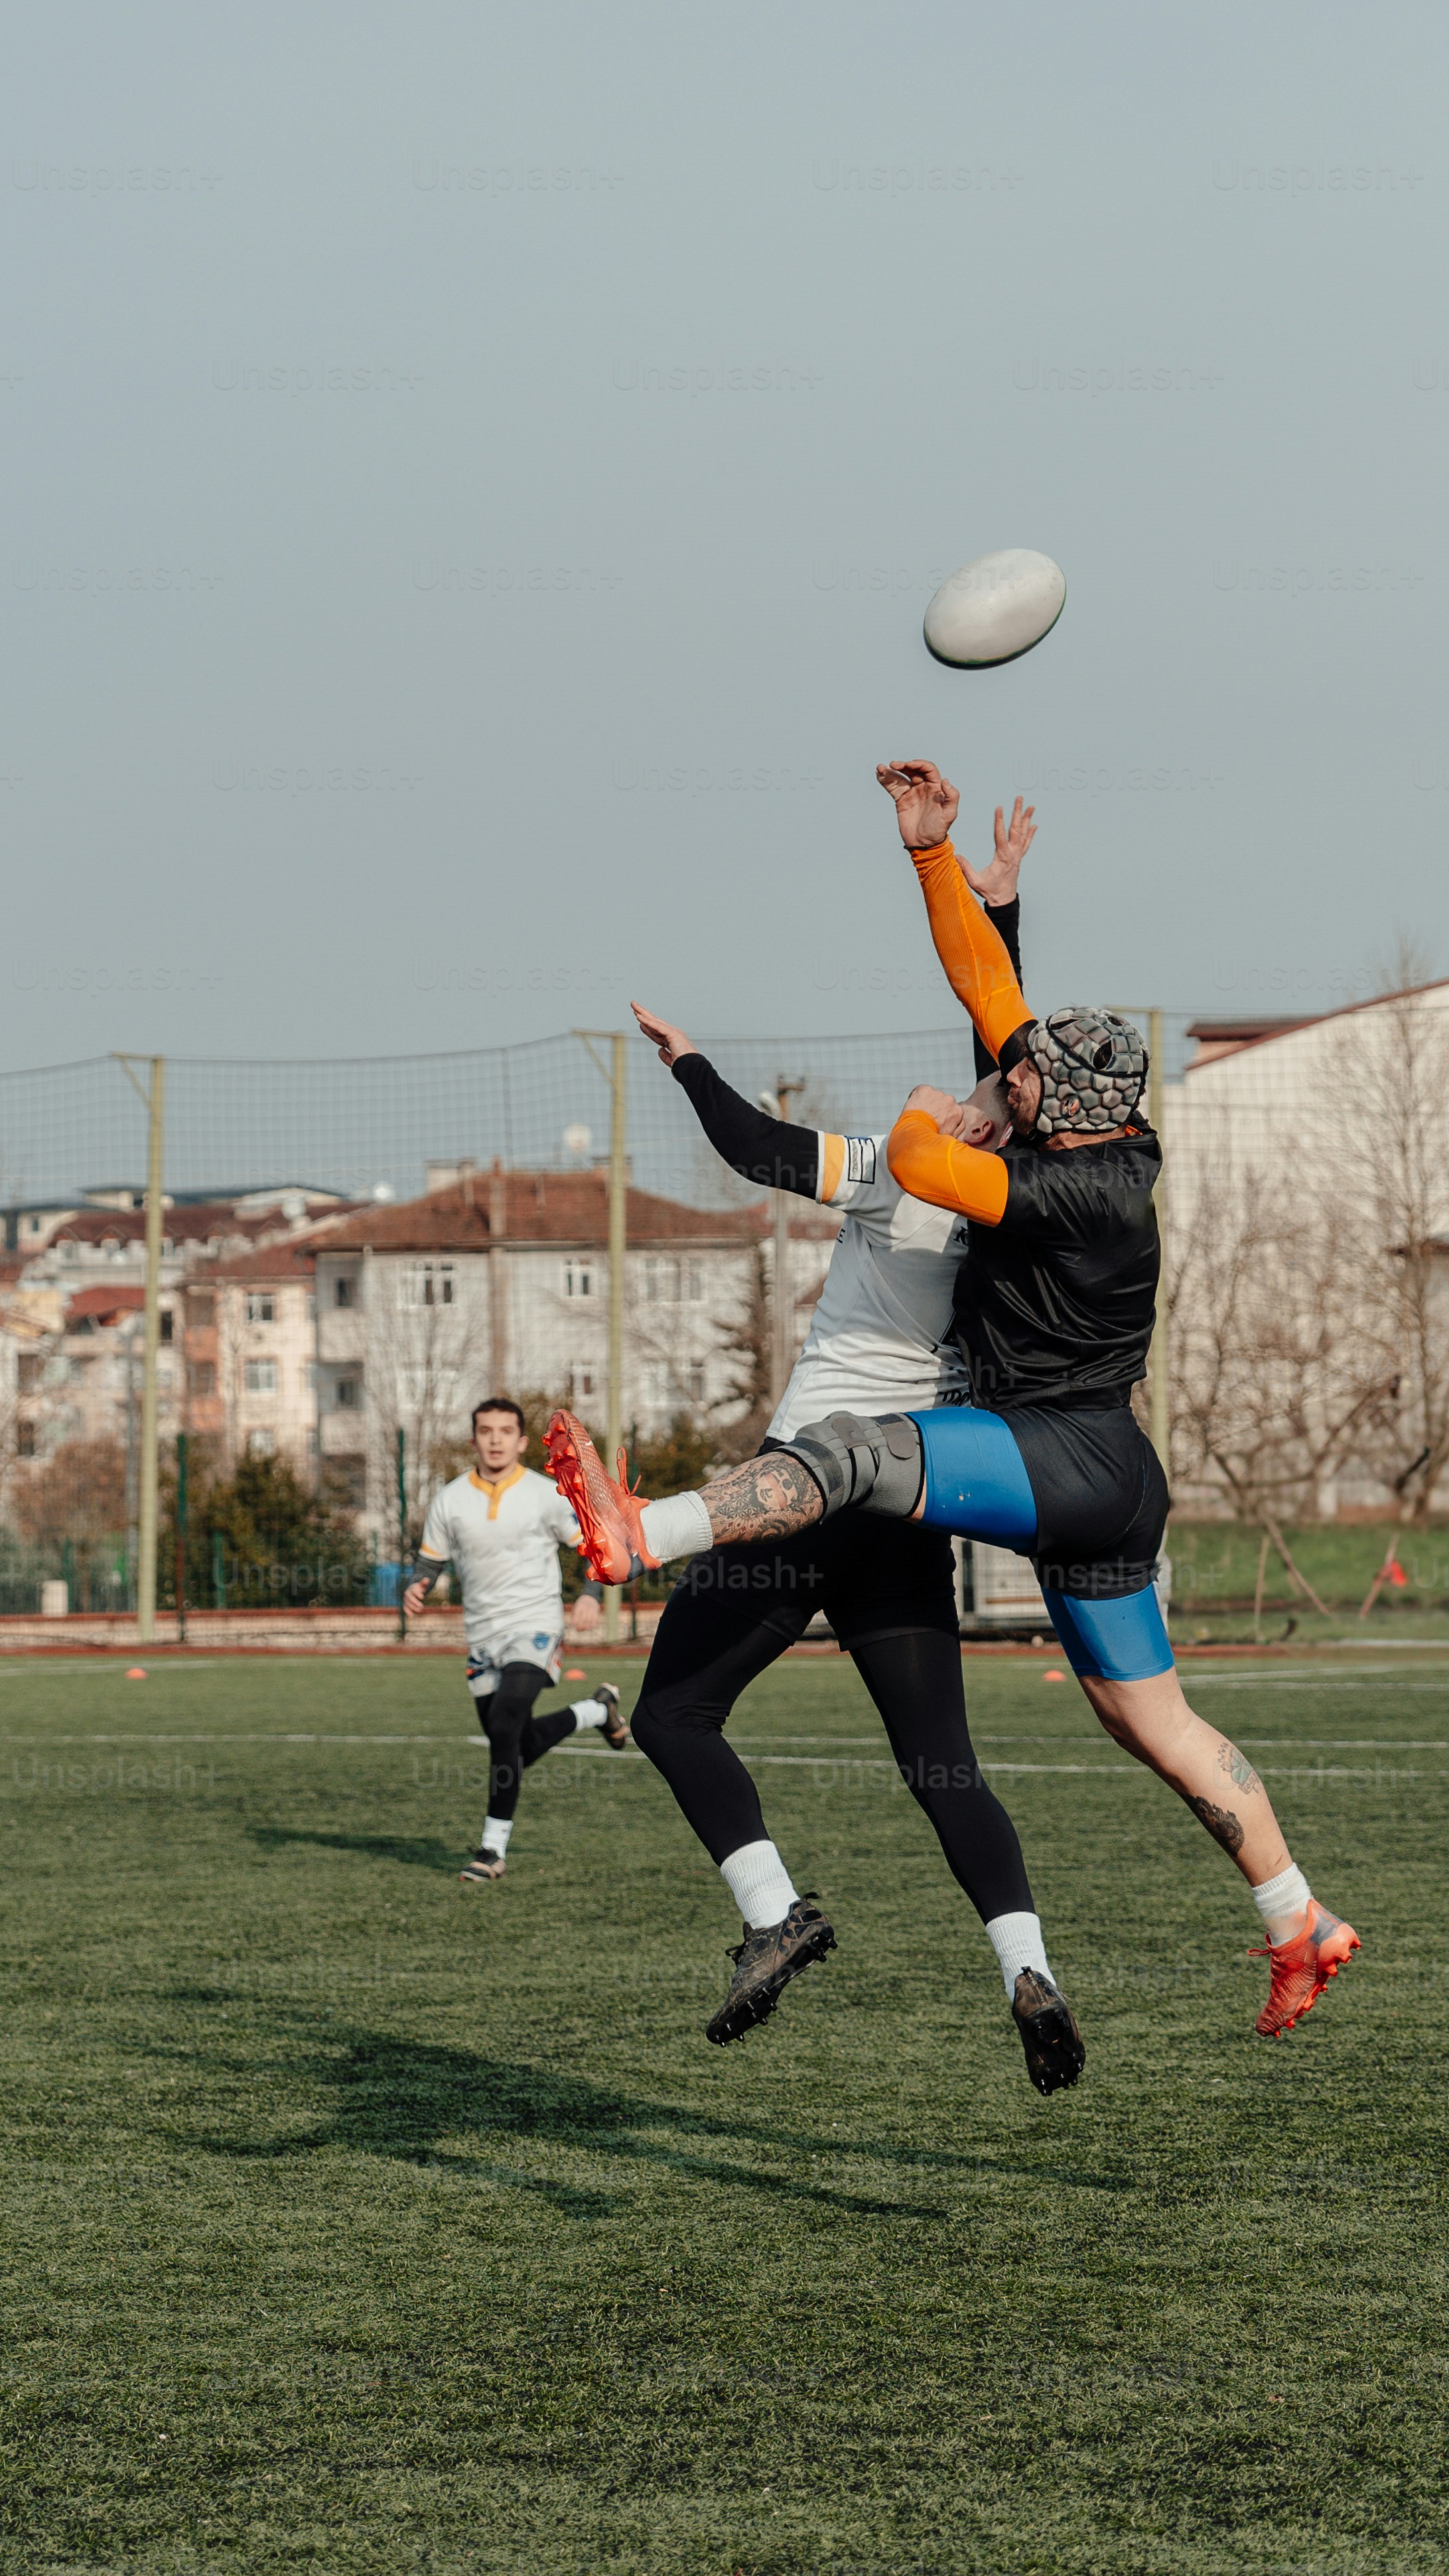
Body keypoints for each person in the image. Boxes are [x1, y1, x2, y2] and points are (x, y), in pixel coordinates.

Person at [552, 759, 1359, 2038]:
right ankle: (1299, 1920)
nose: (1010, 1073)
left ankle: (639, 1533)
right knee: (1149, 1727)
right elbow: (996, 1006)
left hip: (1053, 1456)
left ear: (1055, 1122)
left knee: (855, 1453)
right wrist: (952, 876)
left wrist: (905, 1112)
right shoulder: (1101, 1137)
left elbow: (921, 1151)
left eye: (1025, 1082)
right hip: (1098, 1479)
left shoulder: (1035, 1185)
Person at [610, 799, 1083, 2092]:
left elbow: (758, 1148)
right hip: (916, 1495)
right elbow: (1012, 1044)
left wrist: (688, 1061)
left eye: (969, 1088)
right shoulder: (1015, 1201)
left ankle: (776, 1916)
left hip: (805, 1486)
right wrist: (998, 908)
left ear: (973, 1123)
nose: (957, 1078)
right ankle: (1025, 1968)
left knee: (675, 1712)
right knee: (945, 1770)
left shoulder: (897, 1165)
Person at [403, 1397, 629, 1882]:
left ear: (523, 1441)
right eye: (486, 1431)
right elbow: (431, 1560)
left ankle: (491, 1849)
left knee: (505, 1725)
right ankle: (597, 1710)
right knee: (514, 1741)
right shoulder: (450, 1499)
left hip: (536, 1626)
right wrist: (418, 1584)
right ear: (474, 1439)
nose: (495, 1439)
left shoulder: (547, 1494)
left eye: (506, 1431)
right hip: (483, 1637)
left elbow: (595, 1546)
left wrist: (590, 1593)